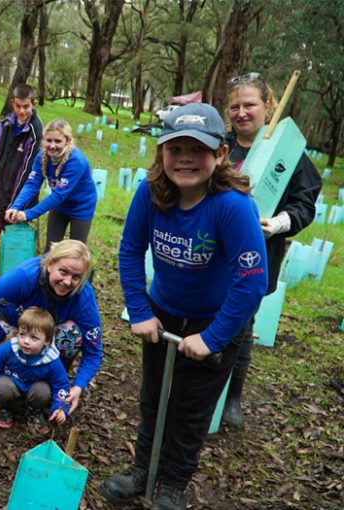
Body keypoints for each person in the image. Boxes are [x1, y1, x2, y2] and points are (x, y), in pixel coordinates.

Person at [102, 103, 268, 510]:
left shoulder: (233, 206)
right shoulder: (151, 192)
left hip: (217, 319)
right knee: (154, 396)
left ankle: (172, 482)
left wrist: (213, 337)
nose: (186, 158)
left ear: (221, 154)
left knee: (192, 408)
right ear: (162, 153)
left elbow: (252, 282)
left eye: (199, 149)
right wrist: (140, 311)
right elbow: (129, 251)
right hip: (165, 312)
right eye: (176, 148)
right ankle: (144, 468)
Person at [221, 73, 322, 428]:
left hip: (258, 254)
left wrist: (277, 223)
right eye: (235, 106)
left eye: (250, 104)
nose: (242, 112)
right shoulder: (219, 146)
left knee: (242, 324)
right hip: (214, 251)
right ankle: (201, 387)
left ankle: (233, 395)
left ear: (268, 106)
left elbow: (305, 202)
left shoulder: (289, 154)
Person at [0, 239, 102, 414]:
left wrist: (78, 387)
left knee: (73, 334)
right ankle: (7, 380)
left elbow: (94, 351)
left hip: (51, 332)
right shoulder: (24, 276)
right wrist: (1, 338)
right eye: (63, 272)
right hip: (15, 326)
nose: (67, 281)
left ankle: (53, 379)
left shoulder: (83, 296)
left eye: (76, 277)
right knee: (3, 367)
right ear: (50, 264)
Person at [5, 119, 96, 250]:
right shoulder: (42, 156)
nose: (52, 145)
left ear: (68, 140)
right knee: (51, 248)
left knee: (76, 251)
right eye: (49, 140)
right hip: (60, 206)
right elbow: (32, 184)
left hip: (81, 206)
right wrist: (16, 206)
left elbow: (58, 195)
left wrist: (28, 214)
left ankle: (85, 271)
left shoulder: (76, 162)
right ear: (44, 140)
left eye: (58, 141)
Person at [0, 307, 71, 435]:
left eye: (34, 338)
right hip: (11, 381)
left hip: (35, 387)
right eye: (22, 334)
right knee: (3, 386)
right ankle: (4, 408)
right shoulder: (9, 348)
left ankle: (34, 411)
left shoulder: (51, 359)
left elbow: (62, 386)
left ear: (47, 341)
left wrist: (61, 408)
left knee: (43, 391)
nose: (26, 341)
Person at [0, 83, 44, 232]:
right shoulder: (4, 125)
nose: (21, 111)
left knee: (11, 246)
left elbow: (28, 172)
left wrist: (15, 206)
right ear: (12, 103)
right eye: (18, 106)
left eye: (26, 106)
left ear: (34, 104)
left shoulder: (36, 132)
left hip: (18, 199)